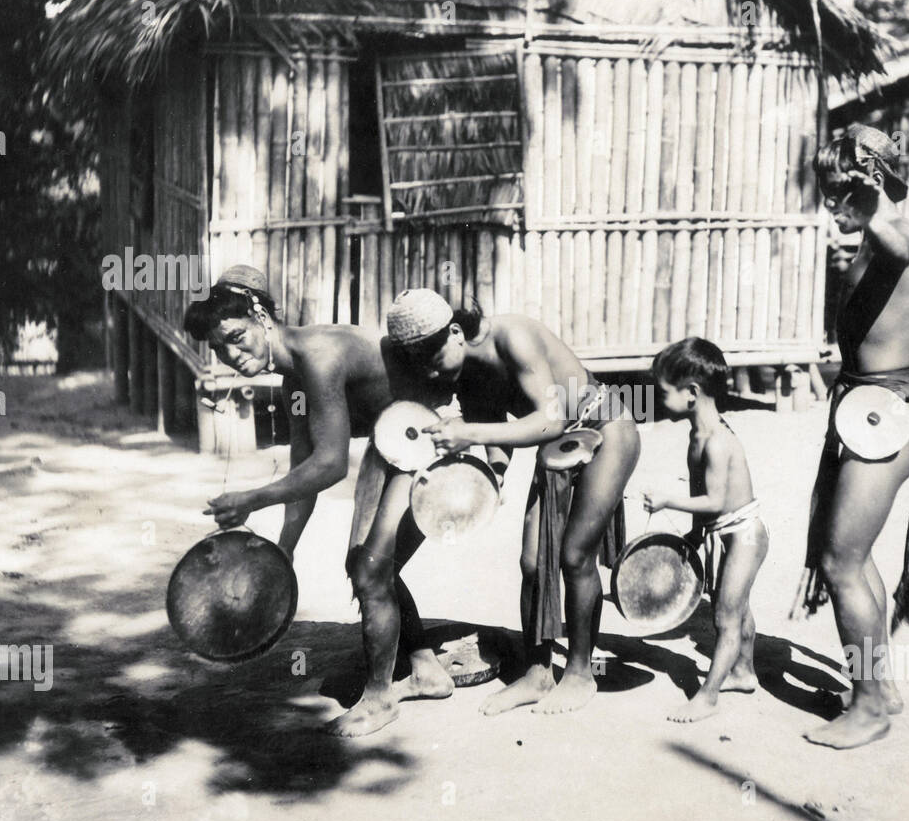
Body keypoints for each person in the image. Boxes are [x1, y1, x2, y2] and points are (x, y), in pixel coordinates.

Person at [182, 265, 454, 737]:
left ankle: (379, 698)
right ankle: (426, 669)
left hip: (439, 432)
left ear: (261, 316)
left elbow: (331, 466)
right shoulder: (294, 382)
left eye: (236, 337)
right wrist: (282, 555)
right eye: (219, 348)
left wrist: (251, 498)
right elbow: (303, 474)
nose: (231, 355)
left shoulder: (319, 355)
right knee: (365, 564)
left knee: (370, 569)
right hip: (395, 440)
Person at [385, 288, 639, 715]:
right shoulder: (463, 369)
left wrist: (468, 434)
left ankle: (579, 673)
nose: (430, 375)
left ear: (454, 333)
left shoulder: (514, 336)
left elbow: (550, 418)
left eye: (432, 360)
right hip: (557, 449)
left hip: (607, 429)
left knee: (575, 555)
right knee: (533, 562)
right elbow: (493, 426)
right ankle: (538, 675)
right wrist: (493, 477)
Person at [791, 124, 909, 749]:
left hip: (891, 415)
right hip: (870, 410)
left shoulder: (896, 232)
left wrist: (871, 195)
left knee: (839, 561)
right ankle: (880, 686)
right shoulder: (872, 235)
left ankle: (869, 706)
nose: (827, 205)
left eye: (834, 192)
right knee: (854, 553)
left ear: (865, 185)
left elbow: (895, 242)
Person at [643, 337, 769, 723]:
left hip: (746, 533)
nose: (658, 399)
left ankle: (708, 696)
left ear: (692, 393)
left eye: (664, 392)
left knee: (725, 616)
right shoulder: (695, 435)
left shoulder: (717, 442)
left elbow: (714, 501)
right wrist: (696, 535)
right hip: (724, 532)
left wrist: (667, 501)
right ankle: (744, 672)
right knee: (737, 606)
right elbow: (704, 497)